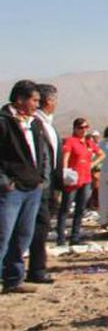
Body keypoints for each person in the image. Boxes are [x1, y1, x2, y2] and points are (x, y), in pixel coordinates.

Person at [0, 80, 46, 294]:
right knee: (3, 235)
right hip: (11, 189)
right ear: (19, 100)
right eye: (34, 100)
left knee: (23, 236)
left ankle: (14, 279)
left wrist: (41, 177)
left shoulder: (34, 123)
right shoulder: (4, 122)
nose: (37, 104)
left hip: (32, 187)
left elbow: (42, 153)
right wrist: (5, 181)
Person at [18, 83, 60, 285]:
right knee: (25, 228)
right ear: (49, 101)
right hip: (35, 185)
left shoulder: (46, 124)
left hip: (45, 185)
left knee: (40, 228)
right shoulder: (34, 124)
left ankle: (36, 268)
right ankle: (29, 270)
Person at [57, 118, 103, 246]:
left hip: (86, 179)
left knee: (80, 208)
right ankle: (61, 238)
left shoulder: (89, 143)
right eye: (81, 128)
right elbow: (65, 157)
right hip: (73, 179)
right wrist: (65, 172)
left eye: (86, 127)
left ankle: (75, 236)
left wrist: (92, 164)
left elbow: (101, 154)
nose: (83, 130)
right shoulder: (70, 141)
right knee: (66, 208)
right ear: (75, 128)